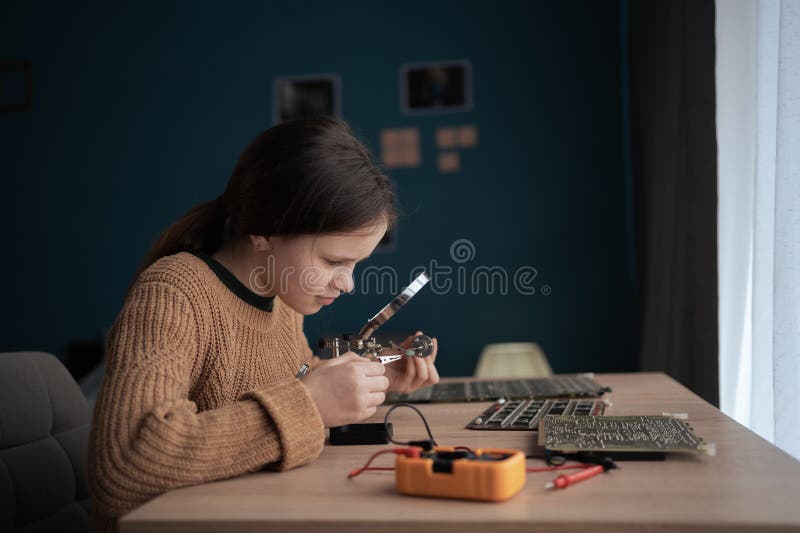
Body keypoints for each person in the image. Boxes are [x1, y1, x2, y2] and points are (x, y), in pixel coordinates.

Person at [88, 116, 439, 533]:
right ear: (263, 232)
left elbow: (297, 372)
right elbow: (125, 464)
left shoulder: (281, 298)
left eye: (356, 265)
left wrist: (379, 368)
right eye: (334, 261)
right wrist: (308, 405)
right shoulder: (174, 293)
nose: (347, 284)